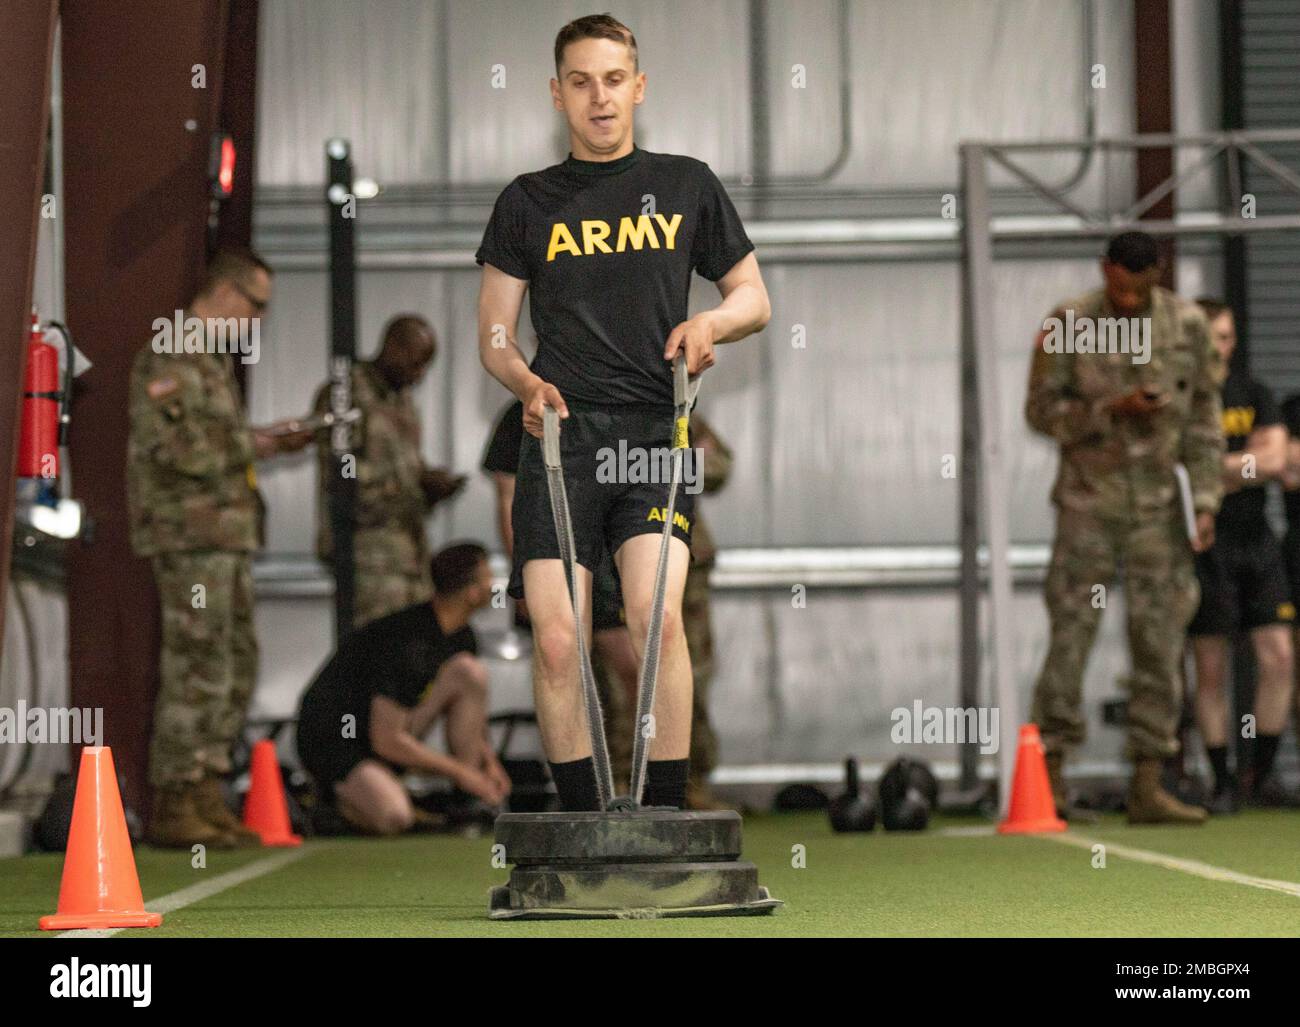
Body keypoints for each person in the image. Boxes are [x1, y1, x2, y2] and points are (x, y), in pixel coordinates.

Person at [475, 14, 770, 811]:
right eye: (581, 81)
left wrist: (709, 322)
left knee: (655, 619)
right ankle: (579, 818)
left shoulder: (685, 185)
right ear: (557, 94)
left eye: (613, 80)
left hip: (650, 436)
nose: (598, 97)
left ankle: (665, 814)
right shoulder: (527, 202)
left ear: (637, 87)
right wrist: (524, 382)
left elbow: (755, 297)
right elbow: (495, 336)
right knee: (560, 637)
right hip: (560, 438)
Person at [1025, 231, 1224, 825]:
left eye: (1142, 290)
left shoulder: (1188, 325)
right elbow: (1038, 411)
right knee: (1071, 637)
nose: (1131, 301)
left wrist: (1206, 497)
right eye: (1121, 287)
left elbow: (1206, 418)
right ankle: (1051, 777)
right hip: (1089, 507)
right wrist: (1112, 409)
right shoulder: (1071, 321)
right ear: (1104, 269)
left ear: (1157, 274)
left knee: (1160, 644)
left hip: (1160, 512)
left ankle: (1149, 782)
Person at [127, 248, 312, 848]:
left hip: (224, 538)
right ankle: (176, 795)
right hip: (189, 537)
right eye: (256, 305)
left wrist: (259, 443)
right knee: (197, 664)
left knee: (233, 664)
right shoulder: (173, 351)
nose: (259, 319)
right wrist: (255, 444)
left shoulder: (209, 360)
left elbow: (215, 445)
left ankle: (206, 790)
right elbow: (179, 452)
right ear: (226, 294)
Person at [295, 543, 510, 835]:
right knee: (394, 816)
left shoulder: (462, 636)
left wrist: (488, 764)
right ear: (471, 592)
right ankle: (327, 800)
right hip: (338, 742)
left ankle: (467, 802)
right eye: (487, 578)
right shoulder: (409, 644)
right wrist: (462, 773)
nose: (493, 586)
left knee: (469, 672)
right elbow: (387, 740)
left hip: (384, 732)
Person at [1186, 300, 1294, 813]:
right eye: (1213, 336)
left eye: (1228, 336)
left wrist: (1216, 467)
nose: (1221, 347)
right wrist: (1242, 463)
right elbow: (1178, 469)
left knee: (1279, 657)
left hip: (1258, 541)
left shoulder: (1254, 393)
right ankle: (1221, 779)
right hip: (1205, 545)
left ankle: (1261, 775)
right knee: (1211, 668)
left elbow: (1275, 461)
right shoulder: (1182, 397)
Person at [313, 315, 466, 629]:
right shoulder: (347, 394)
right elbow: (343, 476)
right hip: (368, 558)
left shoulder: (403, 400)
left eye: (425, 366)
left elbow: (405, 463)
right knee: (375, 658)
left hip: (409, 556)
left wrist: (430, 484)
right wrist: (412, 487)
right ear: (392, 347)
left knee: (409, 659)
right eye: (414, 363)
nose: (419, 375)